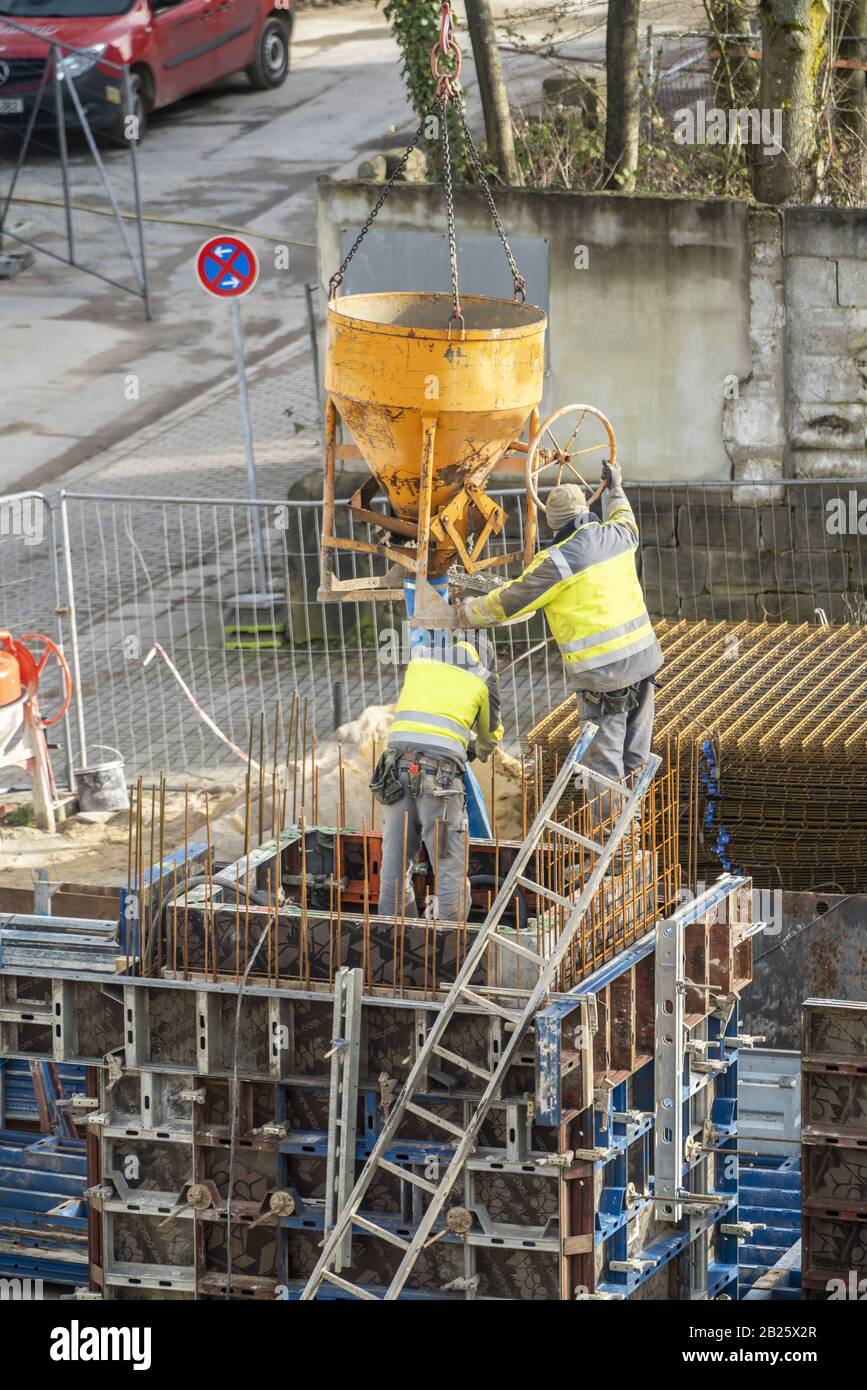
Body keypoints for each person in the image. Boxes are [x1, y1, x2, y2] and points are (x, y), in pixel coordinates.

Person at [455, 465, 662, 790]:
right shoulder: (618, 535)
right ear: (584, 511)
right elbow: (624, 515)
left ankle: (609, 835)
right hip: (645, 664)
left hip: (604, 678)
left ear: (553, 524)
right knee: (634, 756)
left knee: (603, 767)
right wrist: (614, 488)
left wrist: (466, 613)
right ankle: (631, 832)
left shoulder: (556, 562)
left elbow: (509, 601)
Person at [373, 637, 503, 921]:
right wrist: (474, 750)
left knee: (395, 861)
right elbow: (490, 736)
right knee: (448, 866)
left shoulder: (420, 661)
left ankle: (395, 938)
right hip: (441, 779)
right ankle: (448, 948)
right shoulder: (484, 678)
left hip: (396, 769)